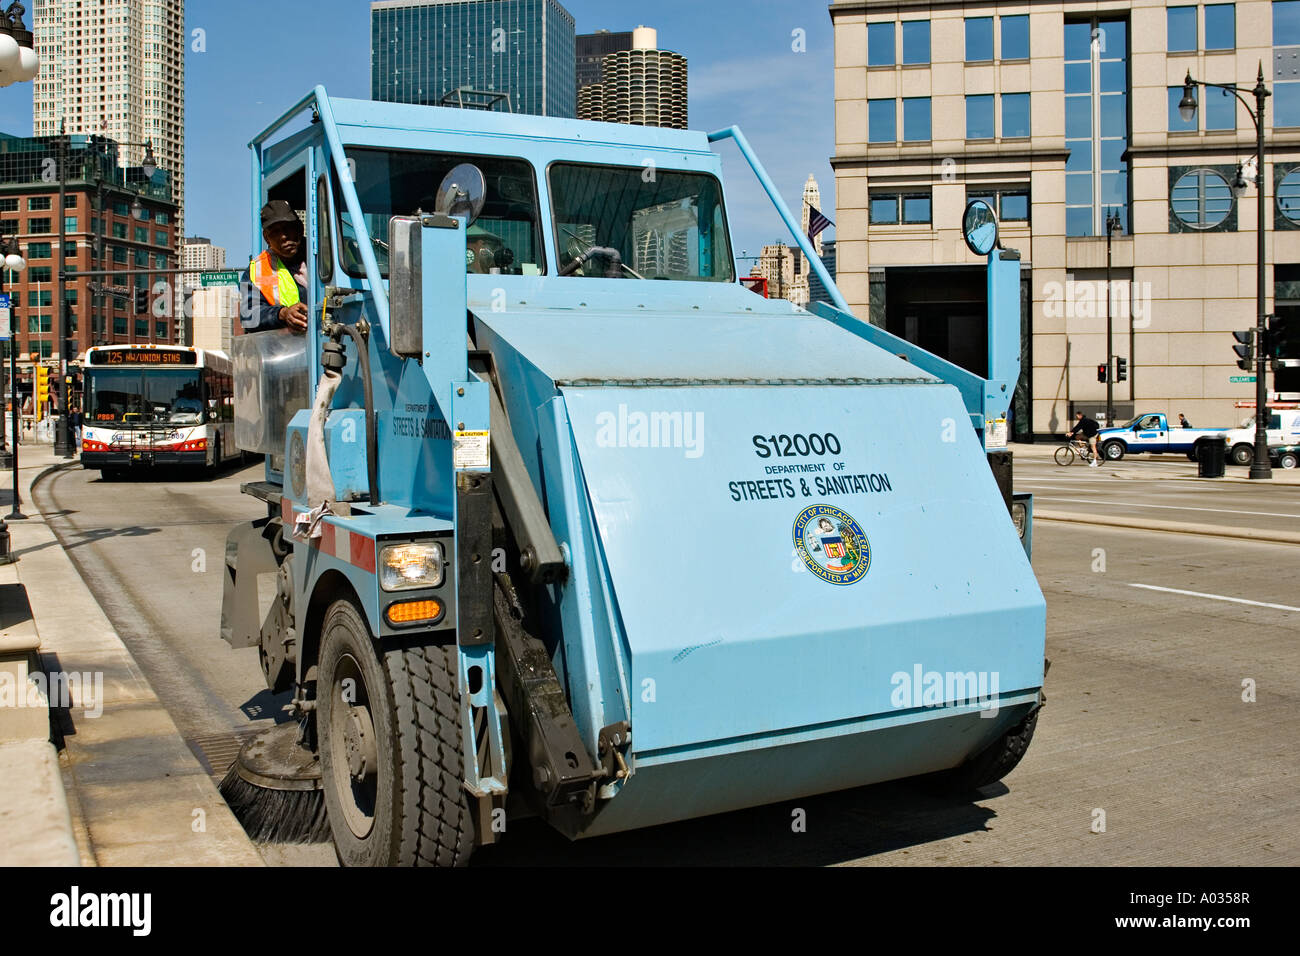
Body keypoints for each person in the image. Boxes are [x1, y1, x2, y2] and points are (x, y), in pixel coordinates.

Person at [241, 199, 309, 333]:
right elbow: (249, 315)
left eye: (287, 228)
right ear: (266, 238)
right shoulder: (256, 271)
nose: (283, 236)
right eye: (275, 231)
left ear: (300, 229)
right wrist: (282, 314)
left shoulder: (325, 255)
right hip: (288, 348)